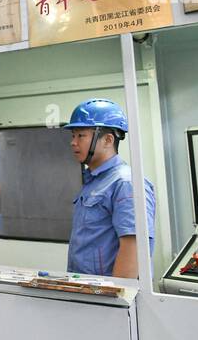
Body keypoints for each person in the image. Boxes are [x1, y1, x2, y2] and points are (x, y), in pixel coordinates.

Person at [62, 99, 155, 279]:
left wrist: (114, 301)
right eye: (73, 136)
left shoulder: (125, 183)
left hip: (108, 298)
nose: (73, 142)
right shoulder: (95, 181)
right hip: (89, 291)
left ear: (108, 140)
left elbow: (133, 249)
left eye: (80, 135)